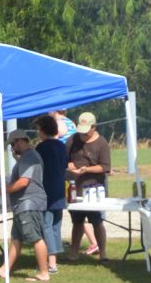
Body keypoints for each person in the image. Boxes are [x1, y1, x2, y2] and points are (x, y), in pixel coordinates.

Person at [0, 131, 50, 283]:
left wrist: (3, 189)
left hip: (28, 203)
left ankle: (44, 272)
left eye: (14, 145)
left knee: (35, 238)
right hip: (23, 205)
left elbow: (23, 182)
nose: (13, 148)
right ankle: (4, 269)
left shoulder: (29, 158)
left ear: (21, 141)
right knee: (16, 238)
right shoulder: (27, 157)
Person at [66, 112, 111, 257]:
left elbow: (105, 167)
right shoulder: (72, 140)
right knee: (77, 222)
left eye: (86, 132)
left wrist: (87, 170)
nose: (83, 135)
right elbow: (63, 160)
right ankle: (74, 253)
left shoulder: (102, 143)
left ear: (94, 127)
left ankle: (102, 253)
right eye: (81, 132)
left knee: (97, 222)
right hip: (75, 187)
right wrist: (70, 164)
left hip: (95, 189)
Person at [34, 114, 69, 272]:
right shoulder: (62, 146)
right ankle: (54, 259)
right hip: (60, 190)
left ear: (43, 130)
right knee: (55, 225)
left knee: (47, 226)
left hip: (47, 191)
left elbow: (36, 169)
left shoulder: (42, 148)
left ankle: (52, 263)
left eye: (38, 129)